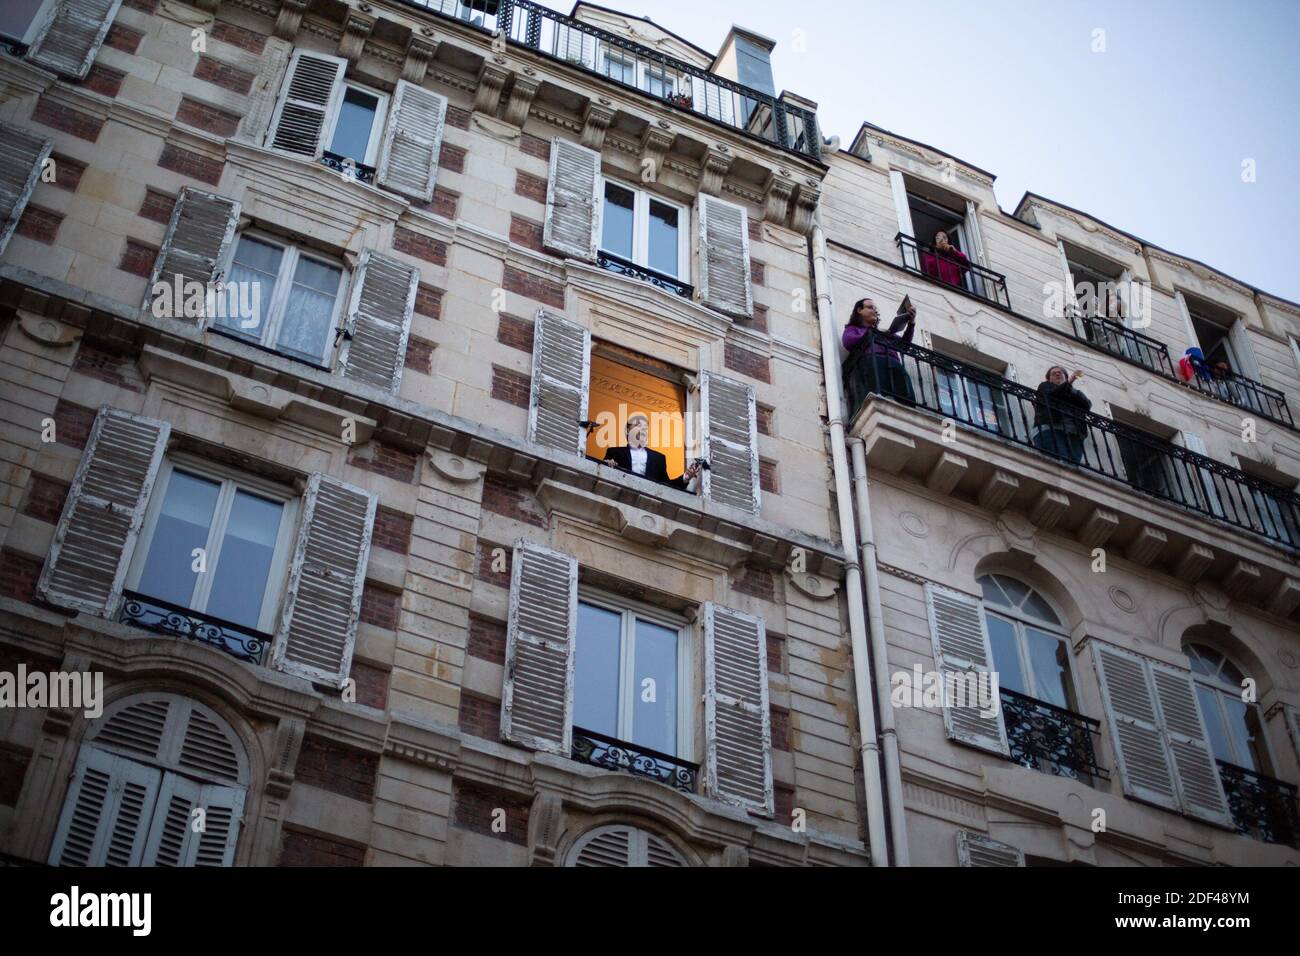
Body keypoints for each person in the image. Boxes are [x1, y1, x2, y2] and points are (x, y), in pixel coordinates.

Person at [842, 296, 917, 411]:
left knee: (906, 402)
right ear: (859, 310)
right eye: (871, 307)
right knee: (879, 397)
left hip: (894, 364)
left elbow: (904, 346)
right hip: (874, 363)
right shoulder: (853, 329)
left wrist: (911, 323)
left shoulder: (885, 333)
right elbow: (848, 341)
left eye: (876, 309)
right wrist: (871, 333)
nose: (875, 310)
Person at [602, 413, 698, 491]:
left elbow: (667, 486)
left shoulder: (659, 459)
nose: (643, 428)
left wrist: (686, 477)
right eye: (638, 425)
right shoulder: (614, 452)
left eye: (645, 426)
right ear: (628, 430)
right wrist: (606, 467)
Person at [1032, 366, 1091, 464]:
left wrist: (1069, 388)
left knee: (1073, 466)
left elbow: (1087, 405)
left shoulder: (1074, 392)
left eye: (1060, 373)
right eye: (1054, 373)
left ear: (1065, 376)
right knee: (1058, 463)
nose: (1057, 374)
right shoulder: (1045, 386)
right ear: (1049, 378)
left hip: (1074, 433)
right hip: (1051, 429)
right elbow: (1052, 395)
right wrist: (1069, 383)